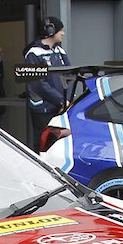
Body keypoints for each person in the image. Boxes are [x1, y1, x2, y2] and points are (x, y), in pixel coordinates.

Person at [24, 16, 71, 149]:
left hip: (61, 108)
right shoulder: (32, 53)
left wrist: (66, 101)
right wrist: (61, 100)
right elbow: (37, 84)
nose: (63, 33)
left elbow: (70, 75)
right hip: (43, 109)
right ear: (51, 31)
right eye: (60, 30)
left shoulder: (60, 51)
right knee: (43, 144)